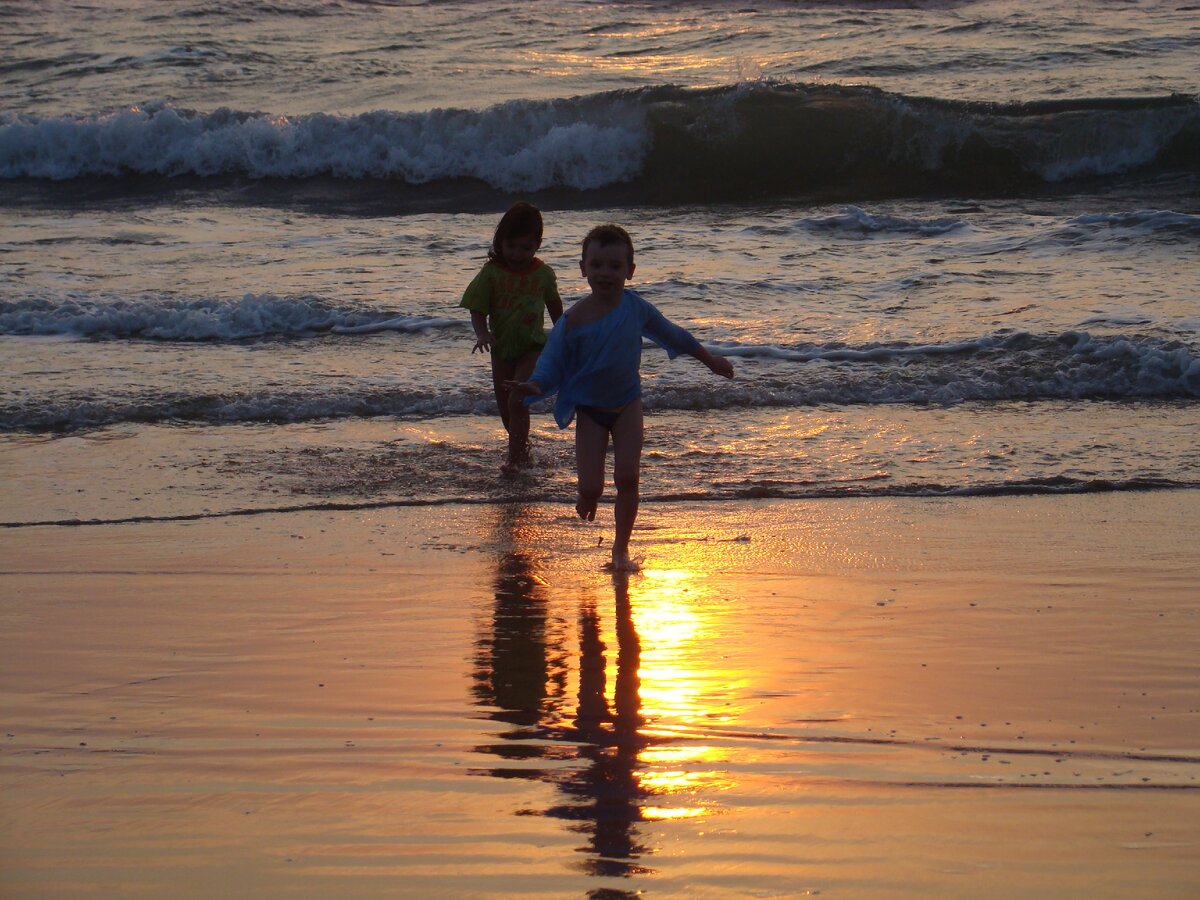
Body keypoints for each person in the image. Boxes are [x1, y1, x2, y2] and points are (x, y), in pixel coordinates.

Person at [507, 224, 734, 570]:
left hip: (628, 404)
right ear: (583, 269)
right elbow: (551, 362)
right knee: (592, 487)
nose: (605, 273)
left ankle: (620, 548)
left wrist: (710, 360)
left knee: (628, 477)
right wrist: (535, 385)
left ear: (630, 270)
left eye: (615, 266)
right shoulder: (573, 321)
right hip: (591, 411)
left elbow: (675, 335)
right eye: (596, 265)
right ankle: (587, 496)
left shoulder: (636, 308)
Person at [461, 201, 563, 473]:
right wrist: (482, 333)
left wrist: (565, 336)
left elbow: (555, 307)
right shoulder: (491, 273)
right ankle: (523, 449)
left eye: (525, 248)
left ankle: (515, 460)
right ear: (500, 242)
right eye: (511, 246)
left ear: (537, 244)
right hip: (501, 349)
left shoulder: (543, 274)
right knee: (506, 408)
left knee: (517, 399)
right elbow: (477, 307)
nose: (517, 254)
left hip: (532, 347)